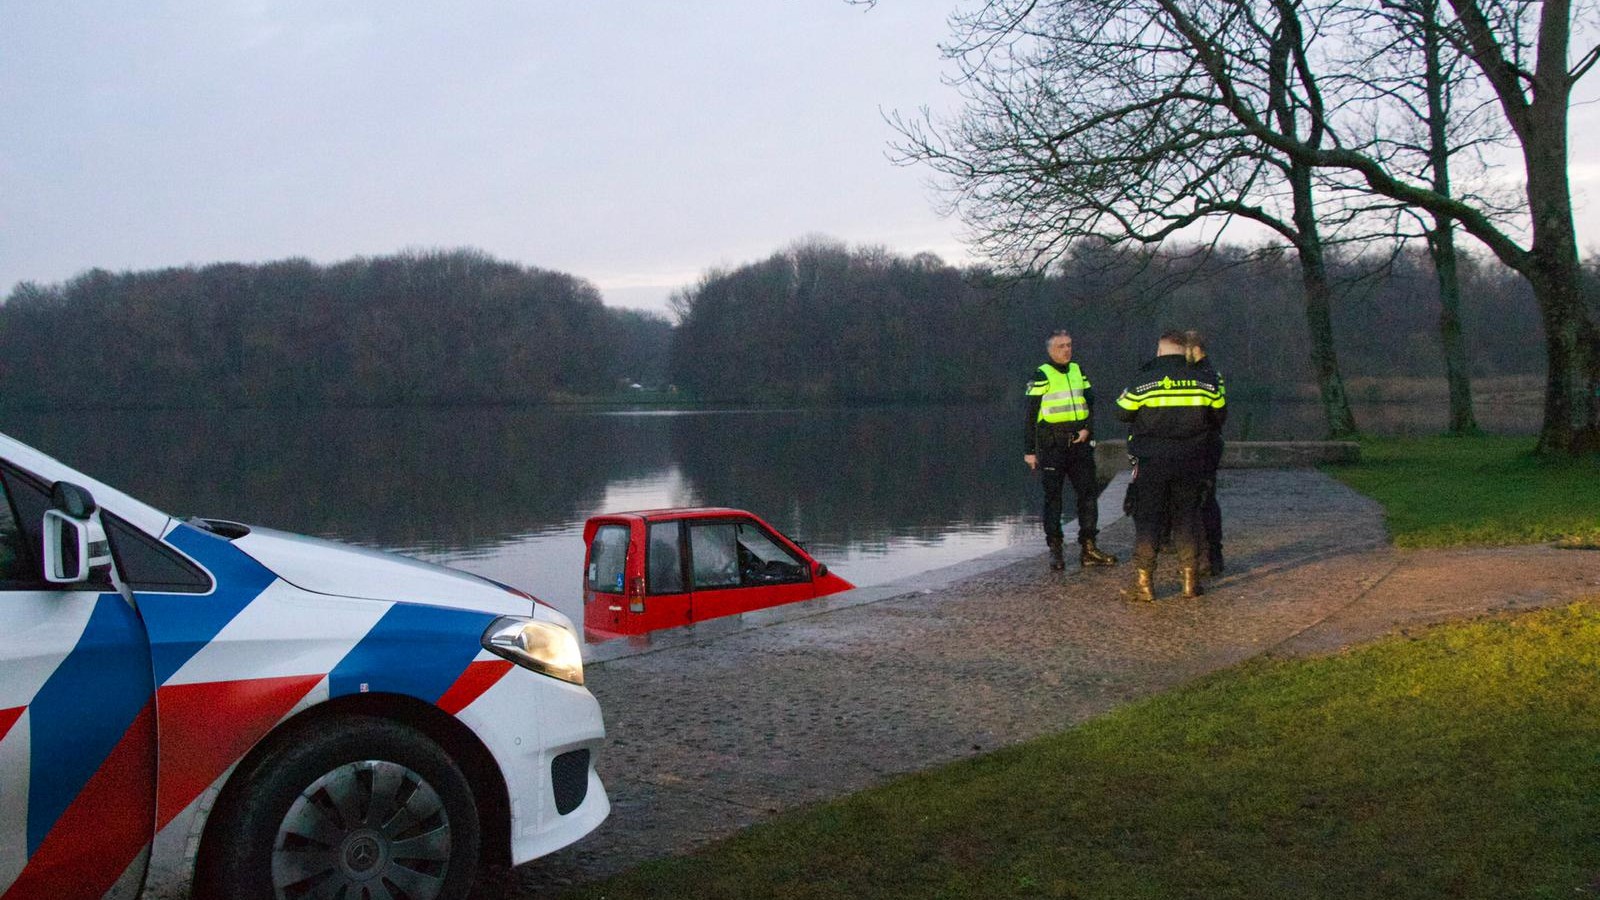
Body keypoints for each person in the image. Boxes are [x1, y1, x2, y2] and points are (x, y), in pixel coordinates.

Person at [1114, 331, 1226, 601]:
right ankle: (1190, 582)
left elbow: (1122, 413)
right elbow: (1219, 416)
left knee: (1149, 519)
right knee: (1187, 518)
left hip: (1152, 461)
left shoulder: (1143, 381)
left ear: (1160, 350)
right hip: (1191, 459)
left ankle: (1145, 584)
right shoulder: (1206, 381)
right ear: (1183, 350)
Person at [1024, 330, 1118, 571]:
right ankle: (1056, 550)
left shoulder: (1078, 370)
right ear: (1050, 350)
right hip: (1053, 446)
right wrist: (1030, 451)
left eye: (1069, 345)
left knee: (1088, 496)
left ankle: (1088, 547)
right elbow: (1030, 416)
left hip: (1080, 445)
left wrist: (1088, 430)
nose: (1067, 349)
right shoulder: (1041, 374)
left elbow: (1091, 403)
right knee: (1053, 499)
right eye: (1061, 346)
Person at [1185, 330, 1226, 576]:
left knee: (1200, 501)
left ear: (1193, 349)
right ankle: (1212, 554)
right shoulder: (1213, 374)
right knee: (1208, 499)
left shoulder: (1203, 375)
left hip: (1200, 443)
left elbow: (1216, 414)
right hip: (1209, 442)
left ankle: (1206, 554)